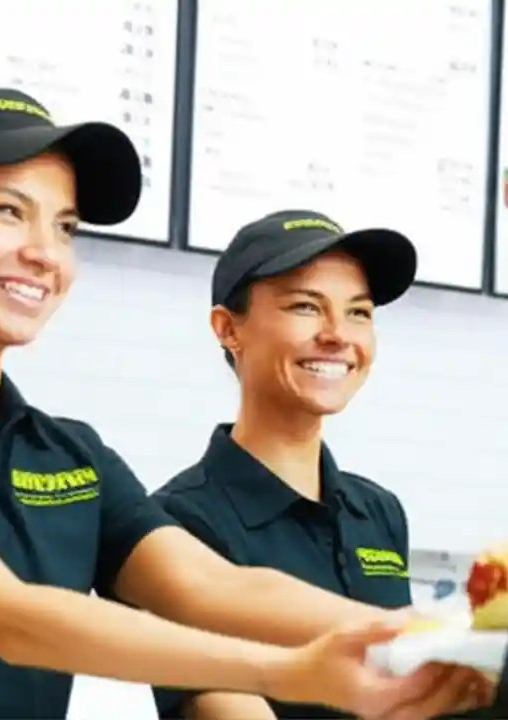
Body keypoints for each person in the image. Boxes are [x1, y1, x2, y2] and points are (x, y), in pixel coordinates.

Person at [0, 87, 485, 719]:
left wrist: (435, 640)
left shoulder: (68, 454)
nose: (46, 253)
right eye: (11, 212)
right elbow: (4, 617)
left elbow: (207, 583)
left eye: (66, 227)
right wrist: (286, 671)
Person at [150, 210, 422, 719]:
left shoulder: (379, 512)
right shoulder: (178, 524)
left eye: (359, 312)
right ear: (228, 328)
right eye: (305, 307)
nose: (338, 334)